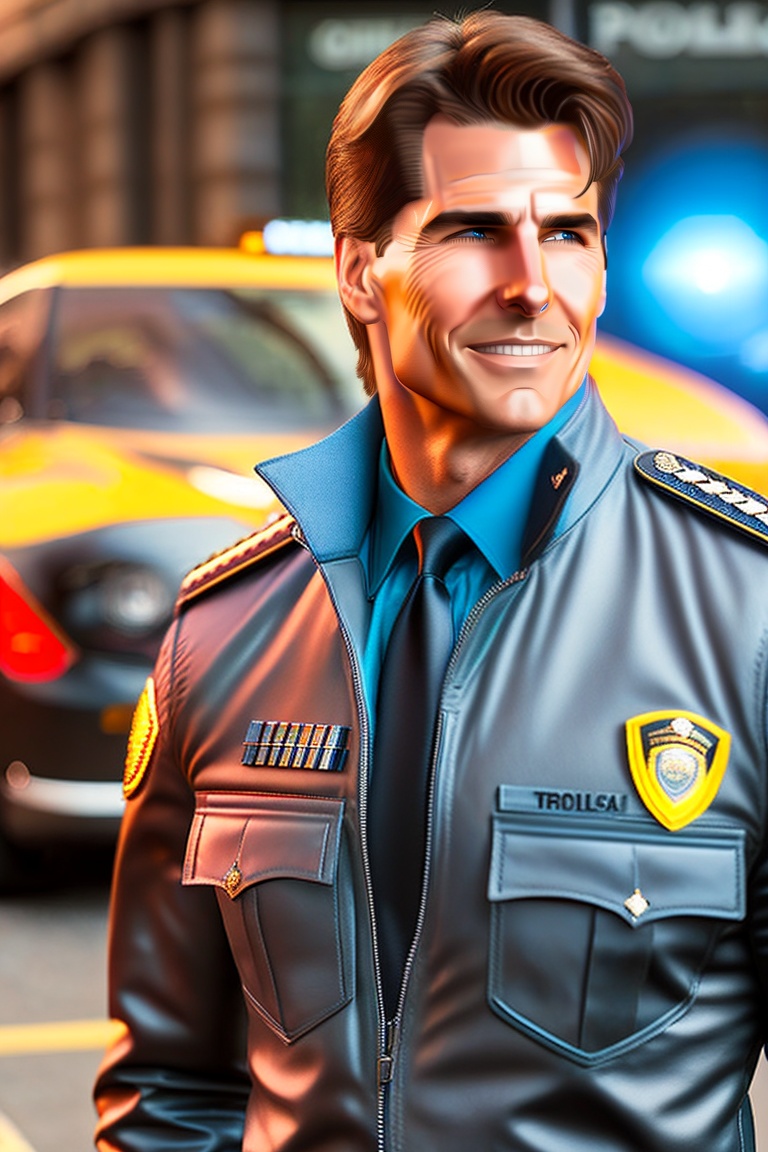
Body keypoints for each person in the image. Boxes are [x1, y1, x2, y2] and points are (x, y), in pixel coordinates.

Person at [94, 10, 768, 1151]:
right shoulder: (222, 633)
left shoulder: (744, 616)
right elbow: (171, 1092)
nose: (531, 286)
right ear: (361, 271)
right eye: (473, 231)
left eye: (568, 233)